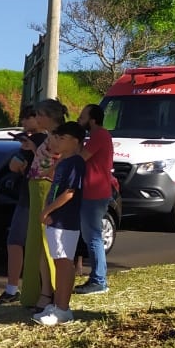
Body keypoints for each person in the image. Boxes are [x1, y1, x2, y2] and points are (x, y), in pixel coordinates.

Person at [33, 121, 87, 326]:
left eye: (62, 138)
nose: (57, 142)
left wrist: (47, 210)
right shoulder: (65, 161)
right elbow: (49, 176)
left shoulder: (76, 163)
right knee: (58, 262)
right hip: (56, 219)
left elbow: (69, 192)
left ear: (75, 141)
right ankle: (58, 305)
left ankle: (63, 309)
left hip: (65, 220)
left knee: (64, 263)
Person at [0, 106, 42, 304]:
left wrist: (27, 158)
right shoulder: (42, 141)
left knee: (16, 241)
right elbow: (16, 165)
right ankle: (32, 288)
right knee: (29, 243)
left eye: (27, 118)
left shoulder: (37, 141)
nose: (23, 123)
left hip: (31, 198)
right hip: (31, 196)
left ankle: (13, 289)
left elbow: (15, 165)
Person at [20, 99, 67, 309]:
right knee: (36, 242)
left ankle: (48, 292)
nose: (36, 118)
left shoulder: (60, 136)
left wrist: (50, 171)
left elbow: (64, 158)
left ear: (48, 116)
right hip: (37, 186)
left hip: (45, 188)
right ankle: (38, 291)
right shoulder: (50, 136)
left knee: (45, 242)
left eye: (39, 114)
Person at [75, 104, 114, 295]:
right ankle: (96, 278)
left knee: (93, 237)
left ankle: (99, 280)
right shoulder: (96, 136)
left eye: (82, 117)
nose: (79, 120)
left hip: (95, 192)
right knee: (90, 236)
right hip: (92, 192)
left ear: (92, 120)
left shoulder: (100, 135)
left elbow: (80, 158)